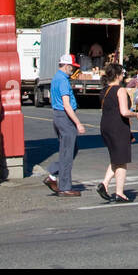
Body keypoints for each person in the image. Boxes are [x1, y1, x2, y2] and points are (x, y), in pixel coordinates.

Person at [98, 62, 138, 202]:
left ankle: (104, 184)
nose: (123, 76)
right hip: (118, 127)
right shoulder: (120, 90)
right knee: (122, 161)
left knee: (116, 158)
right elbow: (124, 112)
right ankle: (119, 192)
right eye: (122, 74)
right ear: (118, 75)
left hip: (105, 126)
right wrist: (137, 114)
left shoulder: (104, 90)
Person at [44, 53, 86, 197]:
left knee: (70, 149)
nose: (73, 70)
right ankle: (65, 187)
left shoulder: (56, 78)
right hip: (65, 117)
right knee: (68, 153)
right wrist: (78, 123)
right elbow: (67, 105)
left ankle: (53, 173)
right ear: (67, 66)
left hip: (58, 115)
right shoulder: (63, 81)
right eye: (72, 67)